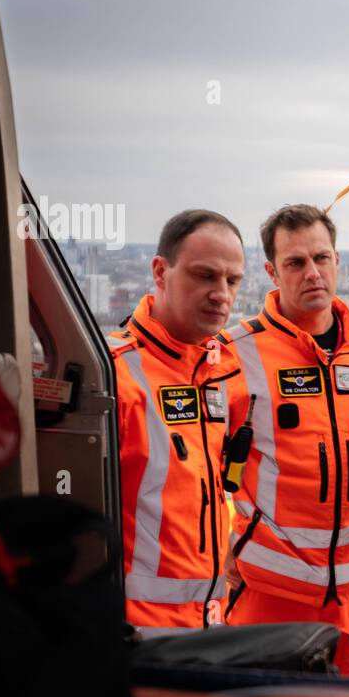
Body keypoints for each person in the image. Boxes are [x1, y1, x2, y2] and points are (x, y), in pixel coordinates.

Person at [220, 204, 349, 676]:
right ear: (271, 272)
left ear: (338, 260)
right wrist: (223, 542)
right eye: (295, 263)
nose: (312, 273)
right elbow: (198, 465)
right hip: (271, 597)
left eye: (321, 258)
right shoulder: (235, 355)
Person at [107, 209, 245, 630]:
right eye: (205, 276)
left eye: (232, 280)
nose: (221, 293)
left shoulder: (226, 369)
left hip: (208, 622)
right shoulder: (115, 374)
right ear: (160, 272)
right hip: (136, 631)